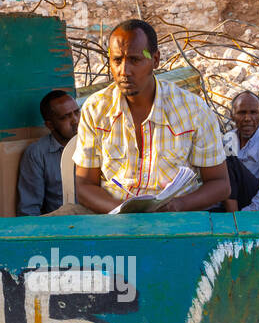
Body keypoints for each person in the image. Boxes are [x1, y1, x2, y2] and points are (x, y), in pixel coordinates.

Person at [63, 19, 229, 214]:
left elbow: (220, 184)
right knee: (48, 234)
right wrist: (123, 213)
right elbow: (84, 187)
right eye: (117, 60)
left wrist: (178, 205)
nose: (124, 71)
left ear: (155, 60)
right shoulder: (96, 108)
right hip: (111, 216)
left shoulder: (193, 110)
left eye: (135, 60)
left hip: (175, 217)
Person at [17, 89, 79, 216]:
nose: (75, 120)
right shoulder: (37, 154)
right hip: (63, 226)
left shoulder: (94, 142)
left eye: (77, 112)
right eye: (65, 117)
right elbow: (29, 210)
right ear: (50, 125)